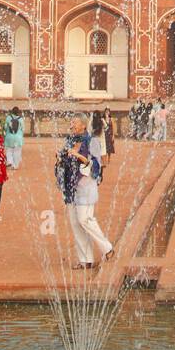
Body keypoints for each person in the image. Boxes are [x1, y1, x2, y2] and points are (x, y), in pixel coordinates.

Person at [56, 115, 113, 270]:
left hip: (86, 187)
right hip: (70, 187)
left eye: (74, 122)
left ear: (83, 125)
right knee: (76, 224)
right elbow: (63, 159)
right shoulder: (69, 141)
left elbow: (96, 165)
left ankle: (107, 248)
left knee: (84, 219)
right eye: (71, 122)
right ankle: (85, 260)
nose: (71, 125)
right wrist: (60, 158)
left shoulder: (92, 141)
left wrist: (79, 156)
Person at [4, 105, 24, 170]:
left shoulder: (8, 118)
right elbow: (23, 129)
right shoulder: (20, 119)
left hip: (9, 137)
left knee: (9, 151)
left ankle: (10, 162)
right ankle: (15, 166)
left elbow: (5, 127)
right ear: (18, 112)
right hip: (18, 138)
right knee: (17, 152)